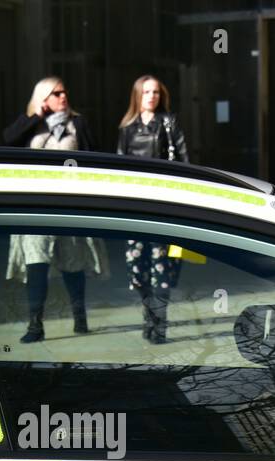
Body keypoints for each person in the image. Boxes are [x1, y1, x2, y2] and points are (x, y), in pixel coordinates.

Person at [3, 77, 105, 343]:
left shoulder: (78, 123)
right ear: (43, 98)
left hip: (69, 204)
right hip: (35, 205)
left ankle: (79, 316)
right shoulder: (31, 125)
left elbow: (95, 155)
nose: (63, 97)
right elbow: (7, 141)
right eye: (56, 93)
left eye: (64, 92)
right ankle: (35, 325)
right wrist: (34, 117)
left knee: (72, 264)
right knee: (36, 263)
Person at [117, 75, 188, 343]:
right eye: (146, 91)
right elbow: (118, 169)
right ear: (138, 95)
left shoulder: (169, 123)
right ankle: (149, 315)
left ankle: (160, 323)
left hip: (162, 206)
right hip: (135, 206)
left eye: (156, 91)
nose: (151, 96)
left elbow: (184, 161)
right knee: (137, 268)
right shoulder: (127, 127)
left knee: (162, 268)